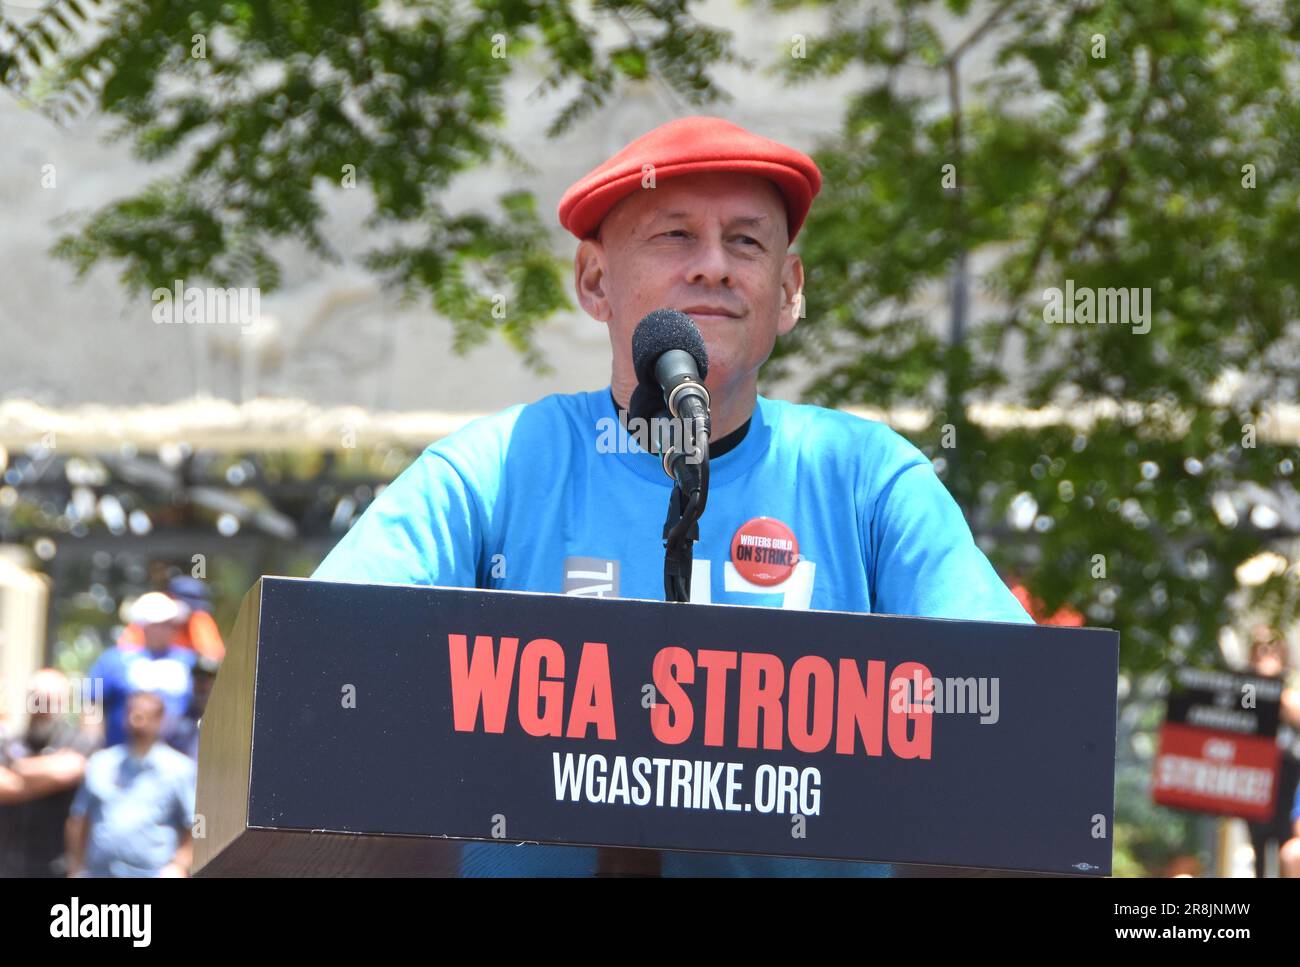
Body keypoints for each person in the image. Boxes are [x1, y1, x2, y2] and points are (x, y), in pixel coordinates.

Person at [312, 115, 1034, 876]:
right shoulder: (493, 468)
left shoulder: (868, 478)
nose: (715, 267)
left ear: (788, 292)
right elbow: (325, 666)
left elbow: (1011, 707)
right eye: (675, 236)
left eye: (747, 242)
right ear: (596, 282)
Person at [65, 691, 196, 878]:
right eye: (132, 714)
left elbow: (199, 822)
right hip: (99, 873)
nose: (137, 722)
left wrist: (181, 864)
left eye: (144, 716)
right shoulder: (101, 764)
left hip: (153, 874)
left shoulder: (180, 769)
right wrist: (76, 867)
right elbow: (79, 819)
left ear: (160, 720)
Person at [0, 670, 100, 876]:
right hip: (10, 864)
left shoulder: (79, 742)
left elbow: (70, 769)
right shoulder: (12, 741)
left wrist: (18, 768)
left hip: (56, 866)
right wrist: (46, 772)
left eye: (50, 700)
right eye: (37, 699)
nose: (43, 708)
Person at [89, 592, 196, 748]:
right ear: (144, 626)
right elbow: (92, 702)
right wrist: (92, 743)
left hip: (179, 757)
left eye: (170, 624)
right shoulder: (114, 660)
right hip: (122, 755)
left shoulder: (190, 661)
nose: (167, 630)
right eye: (160, 624)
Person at [1244, 625, 1300, 876]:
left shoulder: (1291, 682)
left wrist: (1274, 687)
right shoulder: (1244, 685)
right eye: (1261, 649)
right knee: (1259, 842)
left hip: (1287, 776)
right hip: (1254, 778)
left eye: (1272, 648)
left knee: (1284, 841)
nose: (1266, 654)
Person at [116, 575, 226, 662]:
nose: (190, 611)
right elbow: (125, 653)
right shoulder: (148, 615)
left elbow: (212, 657)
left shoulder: (199, 618)